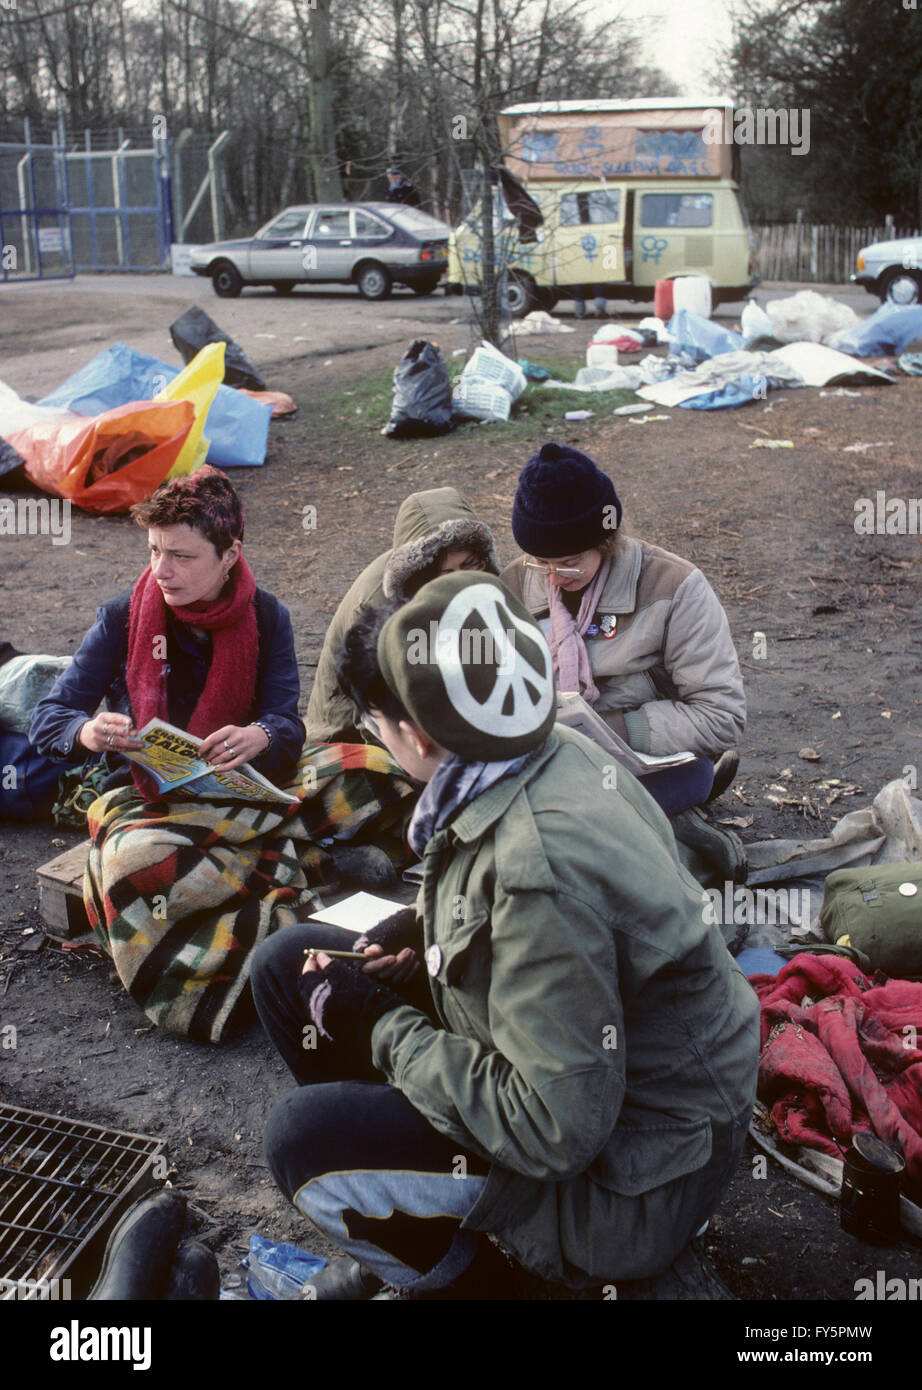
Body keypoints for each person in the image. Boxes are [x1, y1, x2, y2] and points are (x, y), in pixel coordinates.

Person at [250, 572, 760, 1298]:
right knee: (285, 964)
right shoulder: (542, 748)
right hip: (636, 1105)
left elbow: (554, 1129)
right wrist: (425, 935)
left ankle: (485, 1284)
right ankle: (410, 1206)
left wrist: (388, 1031)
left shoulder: (535, 874)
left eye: (375, 729)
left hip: (631, 1185)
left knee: (306, 1144)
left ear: (415, 734)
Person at [30, 467, 413, 1043]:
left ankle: (276, 864)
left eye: (181, 556)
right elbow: (50, 717)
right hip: (151, 800)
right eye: (155, 551)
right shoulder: (122, 617)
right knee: (134, 866)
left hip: (254, 784)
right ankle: (318, 870)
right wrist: (87, 732)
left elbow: (287, 719)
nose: (162, 570)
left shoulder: (266, 616)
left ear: (229, 554)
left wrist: (259, 734)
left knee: (379, 767)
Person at [501, 442, 746, 875]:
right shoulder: (517, 585)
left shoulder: (675, 588)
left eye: (571, 562)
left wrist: (611, 732)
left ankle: (680, 848)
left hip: (646, 763)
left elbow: (720, 716)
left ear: (606, 540)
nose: (555, 578)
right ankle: (669, 831)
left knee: (562, 827)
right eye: (541, 562)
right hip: (546, 762)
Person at [304, 486, 499, 745]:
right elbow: (381, 703)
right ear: (422, 570)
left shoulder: (478, 580)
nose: (460, 579)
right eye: (446, 572)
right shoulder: (378, 604)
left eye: (467, 565)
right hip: (355, 730)